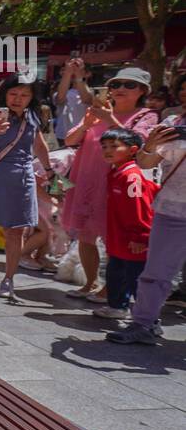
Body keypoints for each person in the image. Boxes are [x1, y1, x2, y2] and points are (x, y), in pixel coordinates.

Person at [58, 67, 159, 302]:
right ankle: (91, 283)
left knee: (114, 238)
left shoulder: (147, 116)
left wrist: (109, 120)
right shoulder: (99, 111)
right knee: (85, 235)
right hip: (86, 179)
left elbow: (138, 143)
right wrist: (86, 124)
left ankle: (111, 290)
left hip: (119, 185)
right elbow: (71, 140)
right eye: (116, 84)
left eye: (129, 85)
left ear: (142, 91)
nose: (120, 89)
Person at [0, 75, 53, 298]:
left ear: (32, 98)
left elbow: (39, 144)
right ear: (4, 93)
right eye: (13, 93)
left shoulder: (32, 116)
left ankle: (8, 280)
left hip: (23, 180)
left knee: (16, 232)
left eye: (25, 95)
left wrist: (49, 170)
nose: (18, 99)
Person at [109, 116, 186, 344]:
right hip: (172, 211)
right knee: (155, 273)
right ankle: (143, 323)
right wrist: (151, 145)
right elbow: (144, 163)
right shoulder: (175, 123)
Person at [95, 128, 158, 321]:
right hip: (120, 238)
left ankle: (147, 319)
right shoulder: (117, 172)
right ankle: (118, 307)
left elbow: (139, 209)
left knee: (136, 279)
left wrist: (140, 237)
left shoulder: (131, 176)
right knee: (116, 273)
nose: (108, 150)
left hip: (133, 240)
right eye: (104, 146)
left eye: (115, 146)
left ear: (132, 150)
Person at [52, 56, 93, 144]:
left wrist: (79, 74)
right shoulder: (61, 91)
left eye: (77, 69)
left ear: (88, 73)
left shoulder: (94, 92)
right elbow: (60, 99)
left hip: (85, 135)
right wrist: (67, 73)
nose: (73, 72)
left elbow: (87, 99)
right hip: (63, 136)